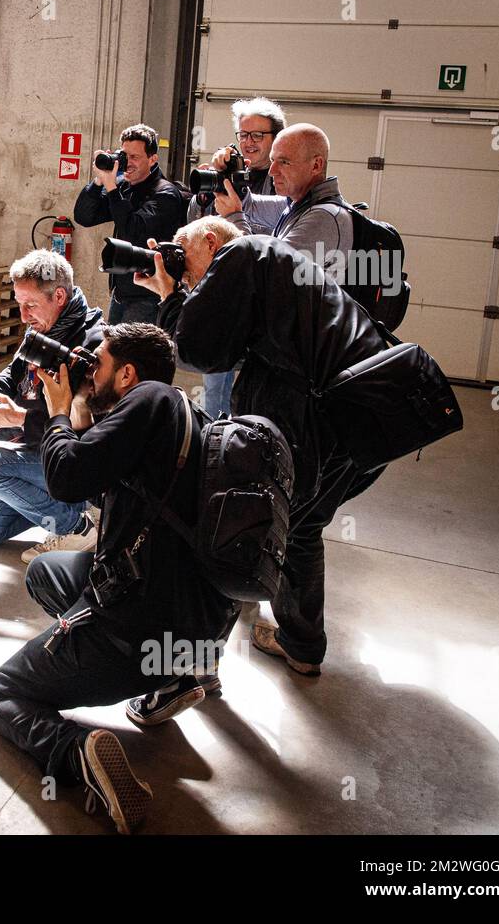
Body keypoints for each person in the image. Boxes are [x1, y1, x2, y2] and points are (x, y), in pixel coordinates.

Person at [0, 322, 232, 833]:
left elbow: (66, 479)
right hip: (197, 631)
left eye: (101, 365)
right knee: (49, 572)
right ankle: (175, 677)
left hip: (137, 629)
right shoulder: (183, 415)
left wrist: (54, 411)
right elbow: (97, 489)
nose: (92, 372)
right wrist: (78, 409)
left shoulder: (149, 399)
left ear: (129, 374)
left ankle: (77, 753)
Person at [136, 216, 388, 678]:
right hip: (365, 422)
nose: (185, 271)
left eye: (184, 256)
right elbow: (227, 348)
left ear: (211, 242)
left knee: (245, 521)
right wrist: (176, 289)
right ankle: (302, 644)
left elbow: (195, 351)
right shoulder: (272, 267)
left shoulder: (240, 252)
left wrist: (171, 297)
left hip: (324, 423)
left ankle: (192, 664)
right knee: (302, 526)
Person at [0, 249, 105, 563]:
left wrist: (18, 418)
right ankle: (64, 511)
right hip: (38, 452)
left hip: (76, 461)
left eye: (30, 305)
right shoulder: (41, 328)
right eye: (19, 304)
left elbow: (81, 421)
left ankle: (81, 526)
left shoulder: (93, 341)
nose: (24, 316)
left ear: (58, 296)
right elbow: (12, 374)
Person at [187, 96, 286, 419]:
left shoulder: (283, 181)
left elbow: (270, 240)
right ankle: (216, 447)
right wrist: (208, 188)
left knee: (258, 393)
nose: (249, 143)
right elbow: (198, 224)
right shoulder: (230, 172)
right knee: (215, 387)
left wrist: (239, 212)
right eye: (243, 135)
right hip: (226, 299)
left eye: (258, 135)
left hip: (265, 306)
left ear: (276, 137)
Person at [212, 123, 355, 285]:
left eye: (284, 162)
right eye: (273, 160)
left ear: (316, 165)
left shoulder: (324, 218)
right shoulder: (298, 205)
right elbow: (249, 206)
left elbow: (262, 273)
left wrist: (234, 217)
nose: (272, 171)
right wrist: (231, 174)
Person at [72, 124, 184, 325]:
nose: (127, 163)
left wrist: (112, 188)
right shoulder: (123, 186)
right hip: (121, 291)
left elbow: (134, 230)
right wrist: (99, 181)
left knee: (129, 354)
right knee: (114, 352)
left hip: (149, 295)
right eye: (124, 156)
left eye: (135, 157)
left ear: (152, 159)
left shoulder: (165, 194)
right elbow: (84, 216)